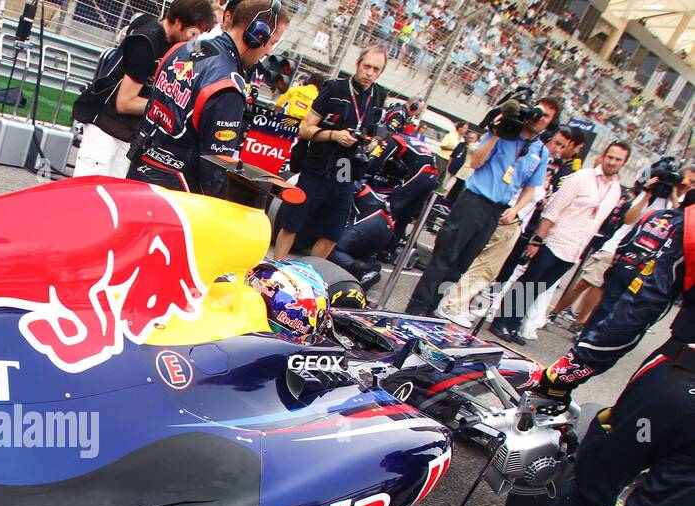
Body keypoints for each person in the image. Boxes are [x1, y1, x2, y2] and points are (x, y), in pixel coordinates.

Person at [470, 198, 695, 506]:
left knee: (586, 497)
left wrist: (565, 374)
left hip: (670, 384)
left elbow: (632, 313)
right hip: (673, 384)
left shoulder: (690, 225)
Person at [404, 94, 559, 317]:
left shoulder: (540, 153)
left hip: (497, 210)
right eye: (538, 112)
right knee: (445, 256)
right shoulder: (503, 134)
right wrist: (499, 133)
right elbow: (476, 162)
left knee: (462, 264)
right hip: (473, 202)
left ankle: (432, 309)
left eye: (546, 117)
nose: (539, 118)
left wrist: (516, 209)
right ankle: (416, 308)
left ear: (550, 123)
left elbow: (530, 189)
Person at [126, 0, 288, 198]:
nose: (269, 51)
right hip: (178, 193)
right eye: (271, 42)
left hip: (139, 171)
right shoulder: (227, 86)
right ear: (256, 35)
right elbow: (215, 169)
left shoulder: (181, 49)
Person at [489, 141, 629, 343]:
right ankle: (501, 321)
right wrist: (537, 240)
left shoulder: (616, 190)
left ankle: (513, 324)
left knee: (539, 288)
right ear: (603, 156)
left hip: (574, 249)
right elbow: (553, 208)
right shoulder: (582, 177)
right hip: (553, 240)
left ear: (623, 163)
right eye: (610, 157)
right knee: (529, 282)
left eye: (618, 159)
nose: (612, 162)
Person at [438, 128, 571, 324]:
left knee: (489, 268)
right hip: (506, 214)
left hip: (516, 219)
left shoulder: (544, 161)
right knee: (484, 265)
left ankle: (459, 303)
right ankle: (452, 304)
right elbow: (525, 189)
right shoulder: (529, 154)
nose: (556, 149)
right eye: (556, 143)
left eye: (562, 146)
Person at [73, 0, 215, 179]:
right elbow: (125, 103)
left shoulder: (173, 44)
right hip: (104, 130)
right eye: (193, 33)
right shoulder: (146, 42)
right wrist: (169, 106)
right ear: (178, 22)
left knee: (112, 198)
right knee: (87, 194)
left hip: (128, 135)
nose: (193, 40)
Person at [270, 45, 389, 261]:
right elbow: (305, 128)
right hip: (317, 168)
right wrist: (334, 135)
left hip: (346, 172)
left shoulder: (379, 96)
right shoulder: (335, 89)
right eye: (366, 66)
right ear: (358, 64)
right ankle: (275, 267)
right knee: (292, 223)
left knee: (333, 233)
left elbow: (375, 133)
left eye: (376, 69)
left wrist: (371, 143)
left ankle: (310, 273)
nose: (370, 73)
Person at [560, 163, 695, 332]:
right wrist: (647, 193)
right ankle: (556, 312)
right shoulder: (652, 194)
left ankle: (583, 325)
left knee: (608, 293)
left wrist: (675, 194)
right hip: (620, 246)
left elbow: (679, 223)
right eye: (687, 180)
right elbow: (629, 219)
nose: (688, 185)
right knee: (586, 282)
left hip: (645, 257)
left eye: (692, 183)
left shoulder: (681, 206)